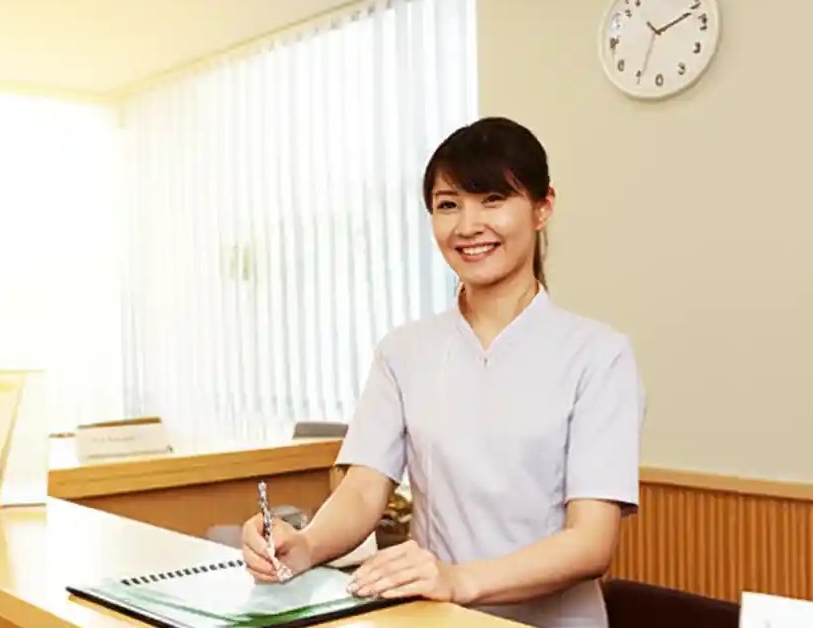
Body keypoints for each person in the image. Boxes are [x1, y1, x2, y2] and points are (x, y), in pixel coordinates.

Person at [240, 117, 645, 627]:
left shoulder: (598, 356)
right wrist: (304, 546)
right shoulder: (404, 350)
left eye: (493, 200)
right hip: (432, 619)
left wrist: (457, 578)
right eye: (448, 204)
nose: (468, 225)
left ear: (543, 208)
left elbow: (591, 543)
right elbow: (364, 490)